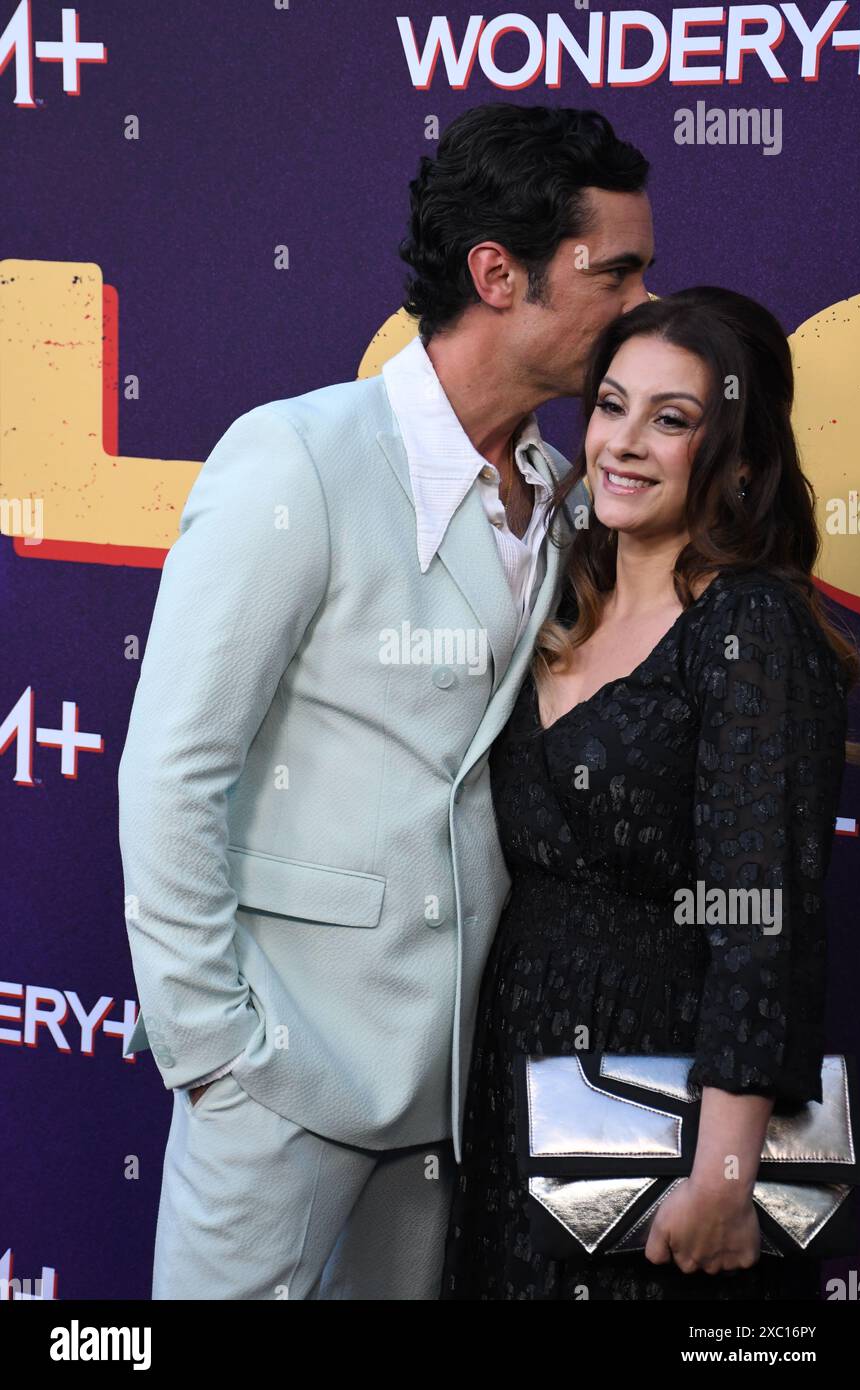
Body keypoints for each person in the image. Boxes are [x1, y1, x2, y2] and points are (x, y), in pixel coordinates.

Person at [117, 104, 654, 1299]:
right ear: (497, 274)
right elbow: (171, 767)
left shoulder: (564, 495)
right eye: (612, 273)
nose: (640, 305)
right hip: (280, 1075)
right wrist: (215, 1052)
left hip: (451, 1094)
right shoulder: (297, 459)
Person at [440, 286, 860, 1300]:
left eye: (671, 420)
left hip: (661, 1107)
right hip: (514, 1076)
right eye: (610, 405)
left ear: (743, 460)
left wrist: (723, 1171)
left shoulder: (750, 628)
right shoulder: (558, 591)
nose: (622, 444)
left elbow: (760, 921)